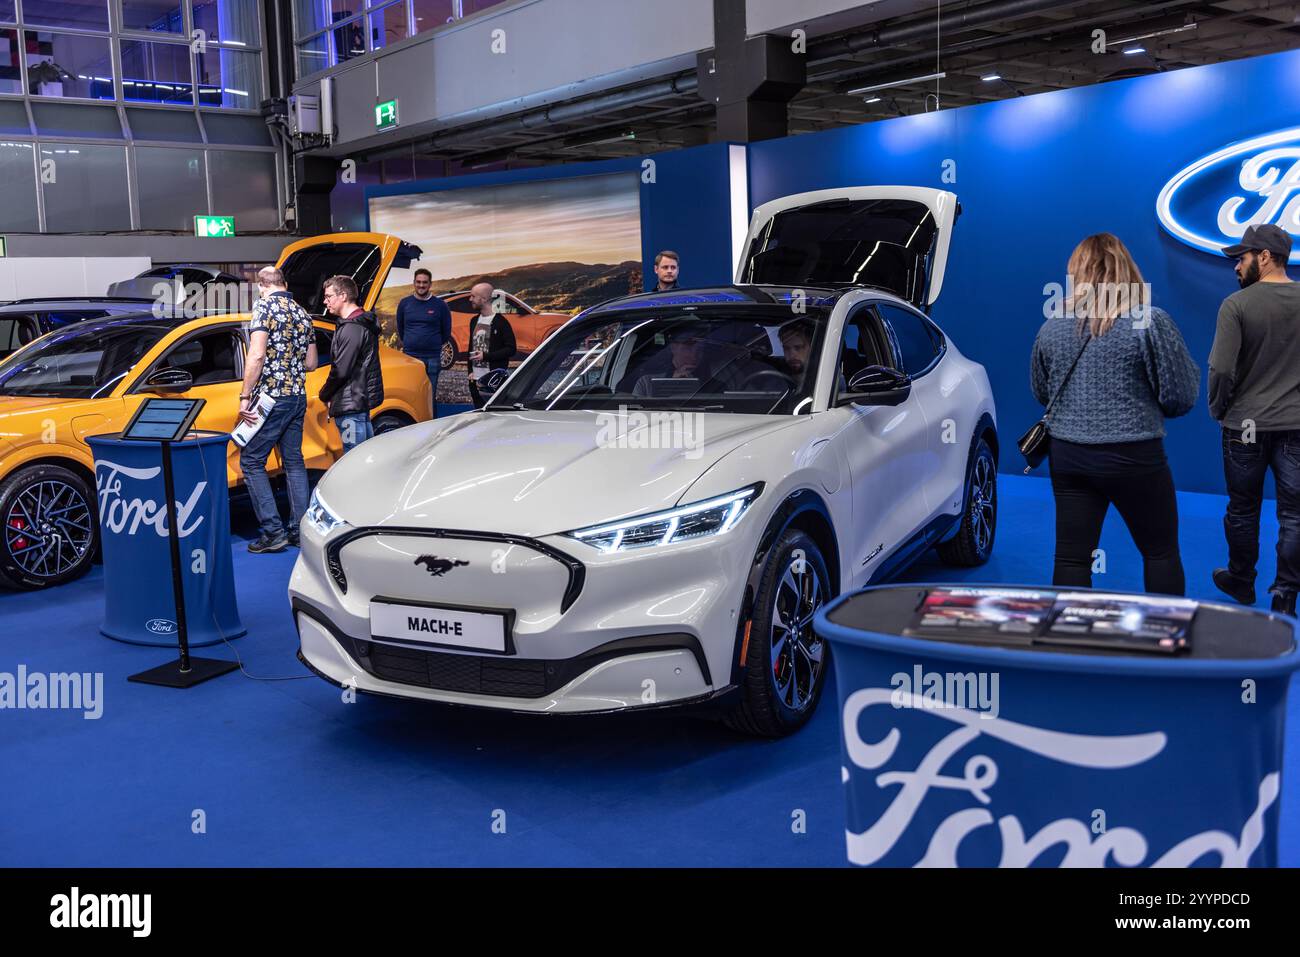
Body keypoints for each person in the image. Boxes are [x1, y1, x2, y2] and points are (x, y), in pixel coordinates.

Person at [1029, 233, 1199, 595]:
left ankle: (1070, 642)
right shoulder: (1149, 321)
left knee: (1072, 558)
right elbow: (1180, 398)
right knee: (1160, 552)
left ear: (1076, 273)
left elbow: (1042, 392)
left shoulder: (1053, 325)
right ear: (1127, 270)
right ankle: (1163, 641)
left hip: (1069, 455)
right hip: (1135, 457)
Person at [1207, 223, 1300, 614]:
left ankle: (1242, 581)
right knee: (1294, 513)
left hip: (1244, 425)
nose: (1236, 267)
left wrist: (1218, 407)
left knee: (1243, 507)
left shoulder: (1236, 306)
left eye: (1241, 258)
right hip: (1296, 426)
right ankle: (1285, 597)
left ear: (1264, 257)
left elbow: (1221, 370)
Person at [237, 266, 318, 554]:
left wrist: (245, 396)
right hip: (297, 396)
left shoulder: (263, 307)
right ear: (284, 283)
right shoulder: (302, 312)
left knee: (251, 461)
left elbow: (256, 354)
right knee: (294, 462)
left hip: (272, 397)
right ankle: (299, 530)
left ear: (262, 286)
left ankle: (273, 532)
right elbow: (310, 363)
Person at [320, 275, 383, 453]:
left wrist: (325, 394)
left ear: (343, 296)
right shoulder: (360, 324)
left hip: (350, 406)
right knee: (363, 457)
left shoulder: (352, 328)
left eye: (329, 296)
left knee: (353, 459)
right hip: (357, 403)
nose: (325, 301)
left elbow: (341, 370)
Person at [395, 267, 451, 417]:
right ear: (413, 283)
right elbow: (401, 328)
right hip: (411, 357)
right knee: (412, 394)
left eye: (424, 282)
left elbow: (446, 332)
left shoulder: (440, 305)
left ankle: (431, 426)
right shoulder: (404, 304)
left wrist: (432, 343)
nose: (421, 285)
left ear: (430, 284)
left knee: (430, 396)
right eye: (418, 282)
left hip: (432, 358)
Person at [466, 281, 516, 408]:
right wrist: (470, 371)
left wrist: (486, 356)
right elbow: (471, 347)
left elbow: (511, 349)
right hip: (475, 381)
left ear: (483, 299)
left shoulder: (501, 322)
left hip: (493, 382)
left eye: (473, 296)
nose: (470, 299)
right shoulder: (473, 321)